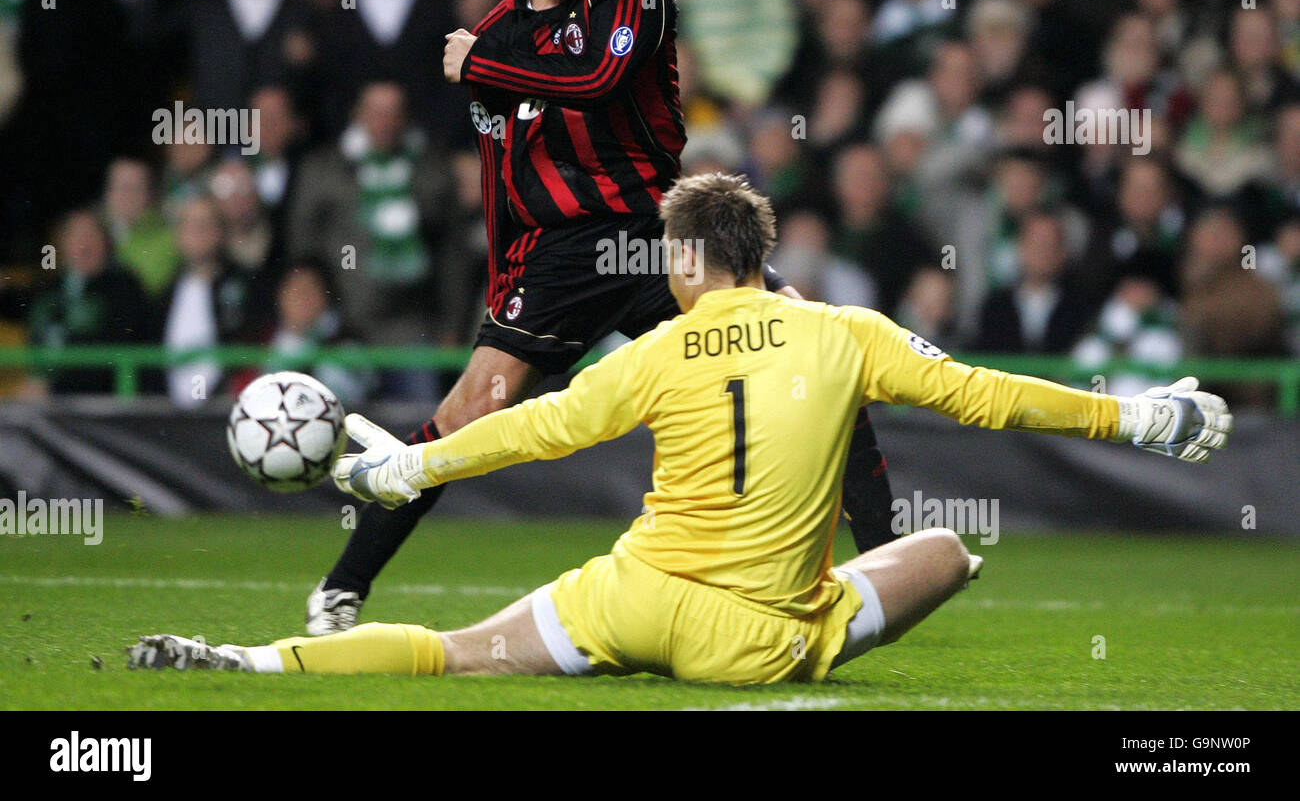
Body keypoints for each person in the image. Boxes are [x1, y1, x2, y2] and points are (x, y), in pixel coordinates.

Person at [129, 174, 1232, 684]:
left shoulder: (656, 349)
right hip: (749, 642)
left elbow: (538, 428)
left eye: (668, 254)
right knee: (945, 551)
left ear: (695, 261)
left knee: (459, 653)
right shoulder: (849, 332)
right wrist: (1140, 412)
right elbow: (994, 394)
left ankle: (258, 659)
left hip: (631, 593)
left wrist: (408, 461)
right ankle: (820, 621)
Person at [303, 0, 897, 636]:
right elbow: (499, 173)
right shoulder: (501, 29)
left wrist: (487, 67)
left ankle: (891, 555)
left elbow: (600, 80)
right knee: (468, 413)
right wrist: (504, 284)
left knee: (817, 351)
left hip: (664, 237)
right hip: (557, 257)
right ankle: (342, 589)